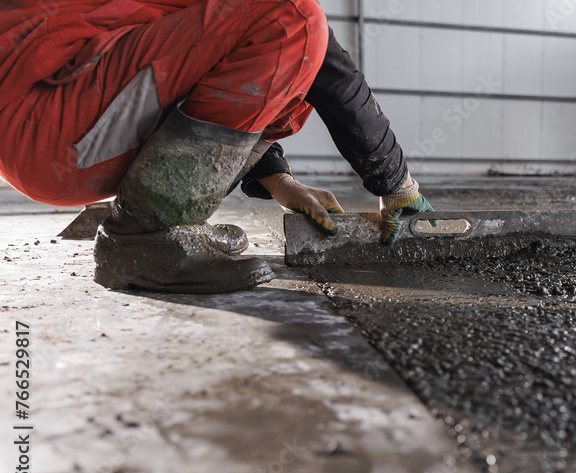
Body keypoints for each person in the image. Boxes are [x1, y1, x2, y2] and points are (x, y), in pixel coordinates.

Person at [0, 0, 433, 293]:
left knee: (285, 43)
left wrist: (277, 180)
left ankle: (166, 227)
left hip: (53, 123)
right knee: (294, 21)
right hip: (52, 123)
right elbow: (321, 57)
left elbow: (210, 64)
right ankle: (143, 236)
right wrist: (397, 184)